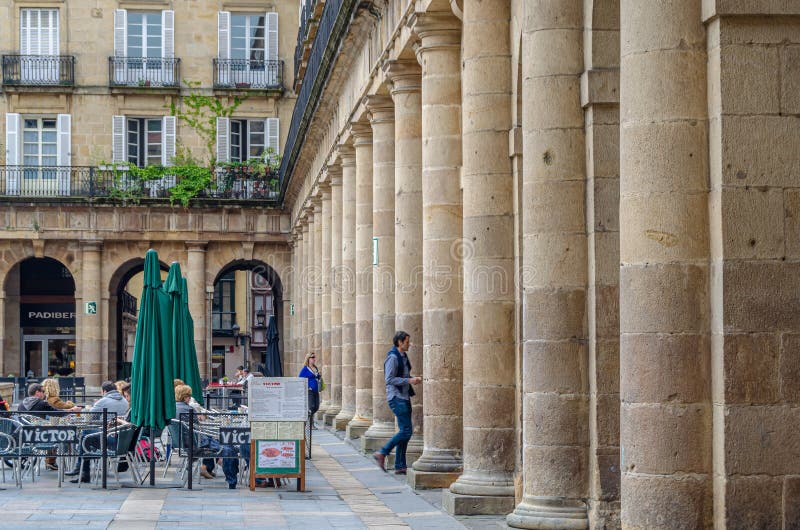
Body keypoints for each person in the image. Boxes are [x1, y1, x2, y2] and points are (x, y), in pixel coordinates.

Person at [372, 331, 421, 475]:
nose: (409, 344)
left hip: (404, 396)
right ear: (399, 342)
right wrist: (409, 380)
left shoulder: (403, 357)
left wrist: (412, 378)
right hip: (396, 397)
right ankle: (382, 452)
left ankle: (400, 465)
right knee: (406, 431)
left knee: (404, 432)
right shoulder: (393, 358)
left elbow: (403, 376)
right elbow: (389, 379)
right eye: (407, 342)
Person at [174, 384, 239, 488]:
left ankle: (208, 467)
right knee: (228, 448)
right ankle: (232, 481)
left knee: (219, 442)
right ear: (185, 396)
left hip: (183, 443)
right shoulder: (188, 409)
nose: (190, 398)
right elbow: (199, 426)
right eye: (189, 396)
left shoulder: (173, 408)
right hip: (195, 445)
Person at [68, 381, 130, 483]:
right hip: (121, 440)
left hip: (109, 438)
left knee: (85, 434)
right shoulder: (124, 401)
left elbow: (90, 419)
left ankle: (82, 469)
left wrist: (80, 413)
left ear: (104, 391)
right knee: (86, 436)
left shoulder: (104, 401)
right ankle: (82, 471)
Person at [41, 378, 82, 471]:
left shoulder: (44, 400)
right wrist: (70, 403)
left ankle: (50, 460)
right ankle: (57, 459)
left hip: (44, 428)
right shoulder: (54, 400)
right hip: (56, 428)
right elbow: (67, 407)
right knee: (67, 435)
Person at [298, 353, 321, 427]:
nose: (314, 358)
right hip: (309, 391)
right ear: (308, 358)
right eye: (312, 357)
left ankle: (308, 421)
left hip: (316, 390)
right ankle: (308, 423)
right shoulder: (305, 369)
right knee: (311, 407)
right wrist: (307, 387)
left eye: (315, 357)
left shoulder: (315, 367)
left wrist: (319, 376)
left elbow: (316, 377)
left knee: (316, 407)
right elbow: (300, 379)